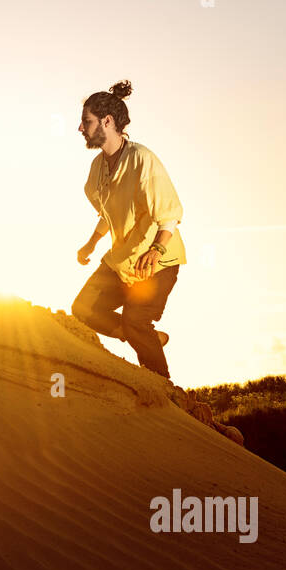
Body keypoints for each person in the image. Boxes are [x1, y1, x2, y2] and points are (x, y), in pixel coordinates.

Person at [71, 80, 185, 381]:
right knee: (83, 310)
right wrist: (91, 243)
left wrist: (156, 249)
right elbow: (109, 213)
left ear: (107, 122)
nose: (81, 129)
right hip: (121, 260)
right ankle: (141, 336)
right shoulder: (97, 168)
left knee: (136, 320)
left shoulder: (142, 159)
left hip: (157, 263)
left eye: (87, 122)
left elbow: (169, 214)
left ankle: (164, 391)